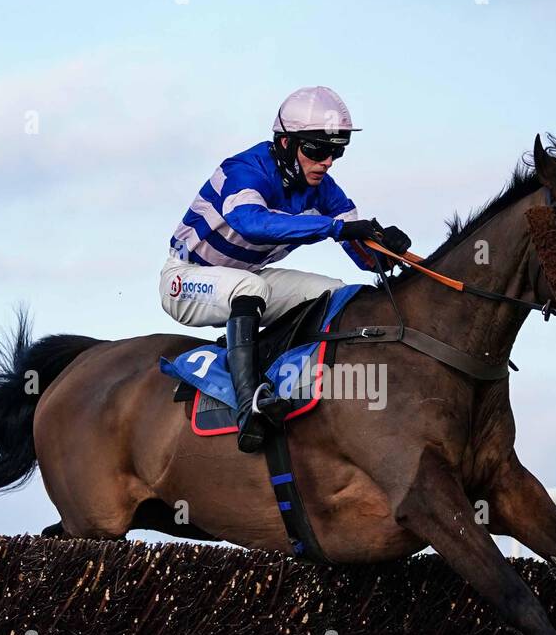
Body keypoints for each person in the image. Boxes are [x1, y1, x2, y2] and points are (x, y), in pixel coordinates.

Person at [161, 86, 411, 453]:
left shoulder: (325, 190)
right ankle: (250, 407)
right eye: (316, 150)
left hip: (247, 277)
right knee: (250, 289)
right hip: (185, 280)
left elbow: (363, 255)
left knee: (337, 294)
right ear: (283, 144)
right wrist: (334, 228)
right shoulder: (245, 169)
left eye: (336, 151)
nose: (326, 161)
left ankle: (299, 383)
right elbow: (251, 222)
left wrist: (386, 252)